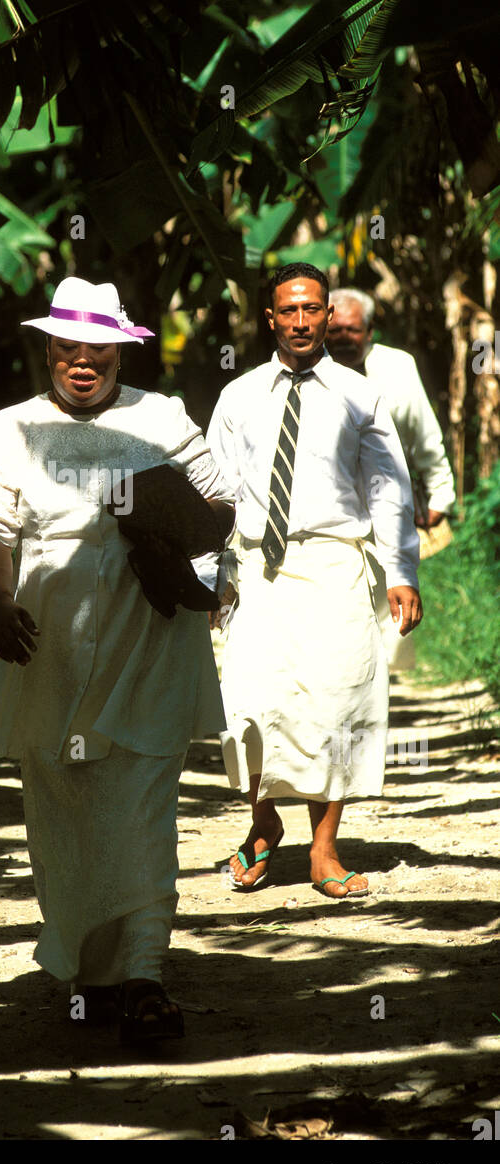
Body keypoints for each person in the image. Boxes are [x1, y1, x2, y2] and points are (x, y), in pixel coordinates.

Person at [0, 277, 230, 1043]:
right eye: (66, 348)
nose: (81, 361)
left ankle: (144, 975)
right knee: (64, 810)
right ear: (48, 351)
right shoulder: (10, 428)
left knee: (142, 802)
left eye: (96, 348)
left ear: (120, 350)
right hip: (50, 648)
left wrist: (174, 530)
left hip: (149, 637)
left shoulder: (161, 417)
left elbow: (222, 507)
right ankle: (88, 971)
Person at [207, 263, 422, 900]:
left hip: (334, 564)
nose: (300, 321)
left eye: (312, 309)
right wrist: (214, 578)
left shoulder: (360, 395)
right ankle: (262, 822)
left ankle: (325, 849)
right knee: (250, 703)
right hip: (258, 569)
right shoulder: (238, 396)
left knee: (335, 701)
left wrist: (400, 572)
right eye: (288, 311)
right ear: (269, 319)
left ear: (329, 316)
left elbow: (389, 491)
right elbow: (218, 494)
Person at [327, 287, 456, 667]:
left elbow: (424, 433)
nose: (344, 339)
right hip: (332, 505)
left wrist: (440, 494)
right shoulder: (312, 369)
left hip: (388, 498)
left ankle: (380, 689)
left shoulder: (398, 366)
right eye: (336, 331)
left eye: (352, 330)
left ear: (369, 330)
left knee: (389, 591)